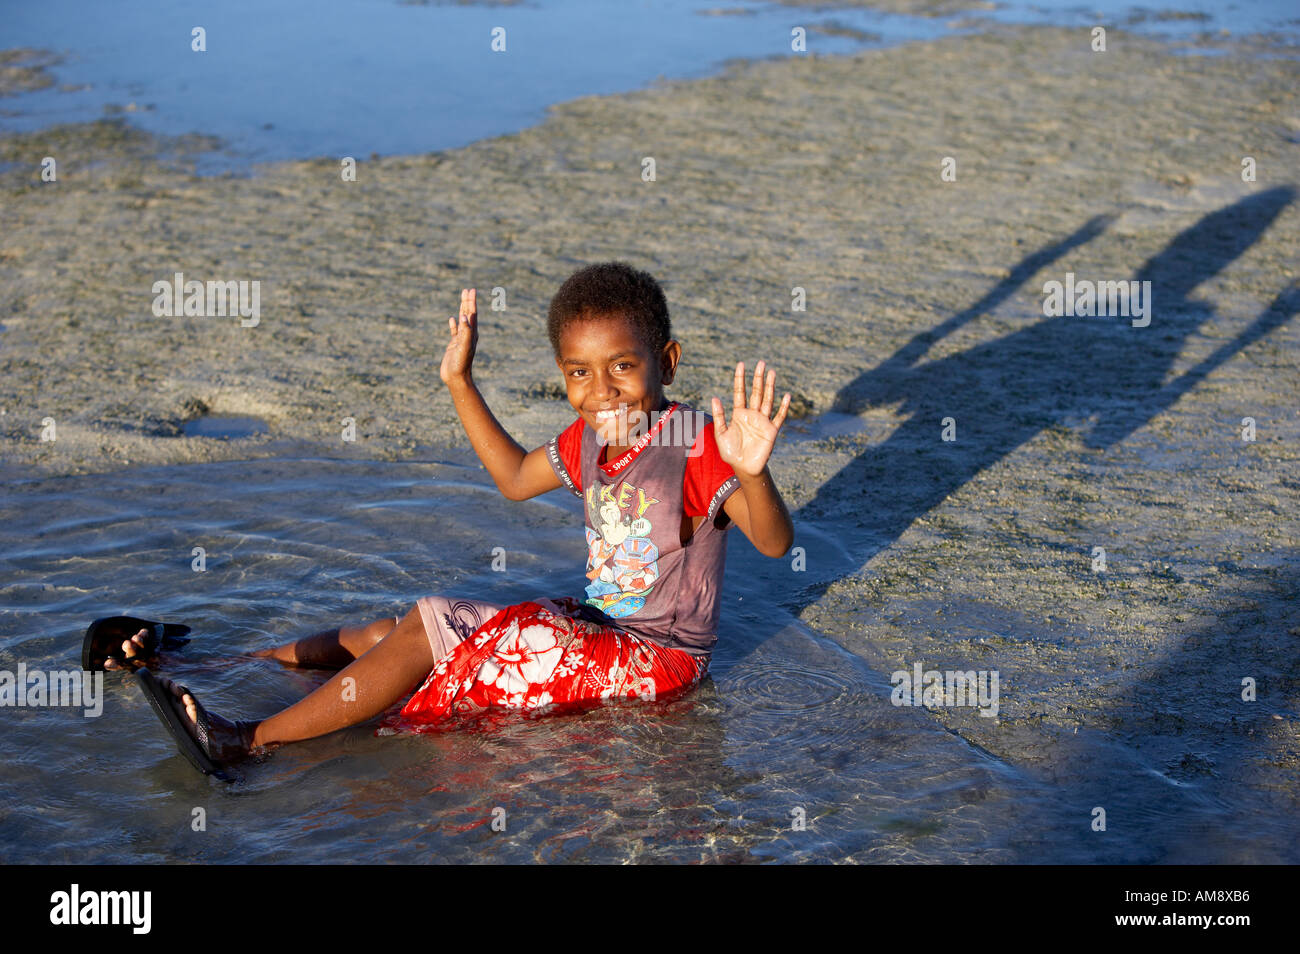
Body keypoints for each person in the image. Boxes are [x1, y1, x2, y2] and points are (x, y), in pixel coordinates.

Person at [119, 262, 794, 775]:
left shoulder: (695, 443)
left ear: (667, 363)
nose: (602, 391)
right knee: (398, 630)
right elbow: (511, 478)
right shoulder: (589, 439)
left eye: (623, 366)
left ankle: (248, 743)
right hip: (599, 631)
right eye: (579, 374)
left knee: (439, 629)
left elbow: (772, 542)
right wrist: (459, 383)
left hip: (658, 662)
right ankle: (213, 663)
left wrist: (753, 471)